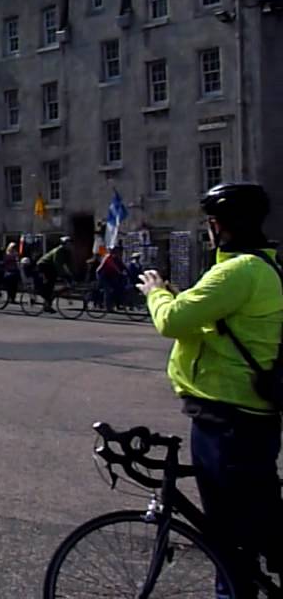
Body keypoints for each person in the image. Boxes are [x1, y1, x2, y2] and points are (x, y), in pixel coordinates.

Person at [137, 183, 283, 597]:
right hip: (241, 416)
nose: (208, 231)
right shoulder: (264, 268)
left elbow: (172, 322)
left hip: (228, 420)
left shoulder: (237, 272)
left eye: (211, 223)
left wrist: (156, 292)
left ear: (223, 227)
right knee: (248, 528)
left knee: (229, 541)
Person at [36, 236, 75, 313]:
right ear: (64, 244)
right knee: (50, 282)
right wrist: (63, 275)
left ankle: (47, 304)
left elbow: (69, 264)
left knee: (52, 285)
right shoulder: (59, 250)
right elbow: (58, 264)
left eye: (71, 244)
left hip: (52, 266)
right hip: (44, 264)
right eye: (68, 243)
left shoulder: (68, 252)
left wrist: (71, 274)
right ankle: (44, 295)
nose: (70, 245)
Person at [96, 245, 127, 310]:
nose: (116, 252)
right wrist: (119, 272)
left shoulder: (115, 257)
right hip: (102, 274)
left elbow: (122, 265)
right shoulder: (107, 257)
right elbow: (113, 266)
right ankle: (107, 307)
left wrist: (126, 271)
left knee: (116, 288)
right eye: (115, 251)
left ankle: (115, 304)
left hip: (109, 275)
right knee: (107, 290)